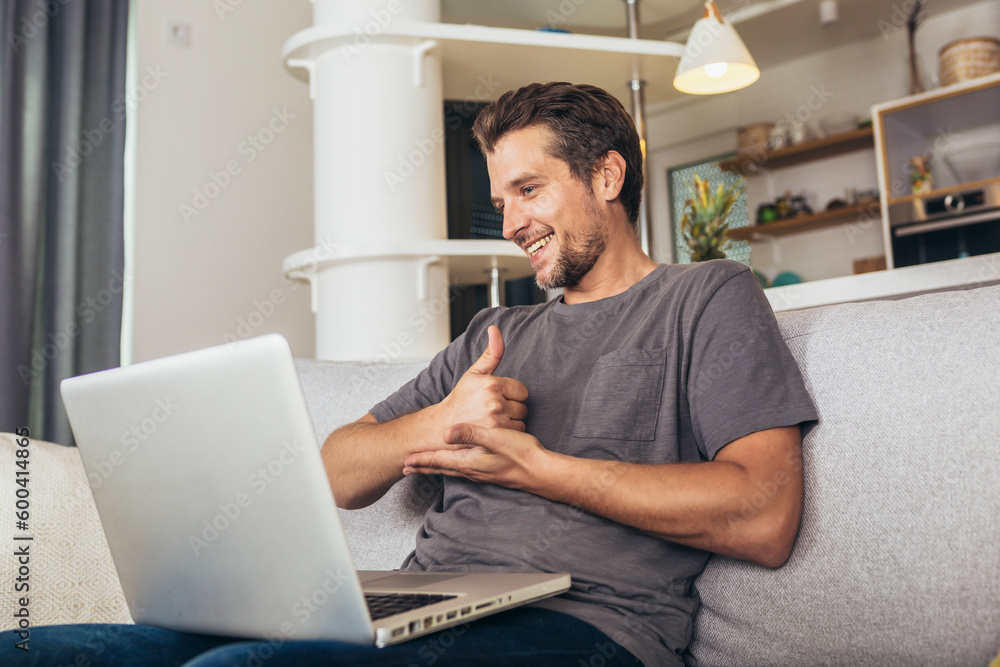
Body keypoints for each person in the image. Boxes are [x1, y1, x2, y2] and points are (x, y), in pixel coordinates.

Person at [2, 82, 817, 667]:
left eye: (529, 190)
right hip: (419, 605)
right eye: (501, 200)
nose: (512, 225)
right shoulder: (493, 333)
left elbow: (764, 514)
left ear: (606, 177)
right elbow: (336, 471)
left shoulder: (707, 296)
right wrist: (438, 423)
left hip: (590, 626)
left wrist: (540, 467)